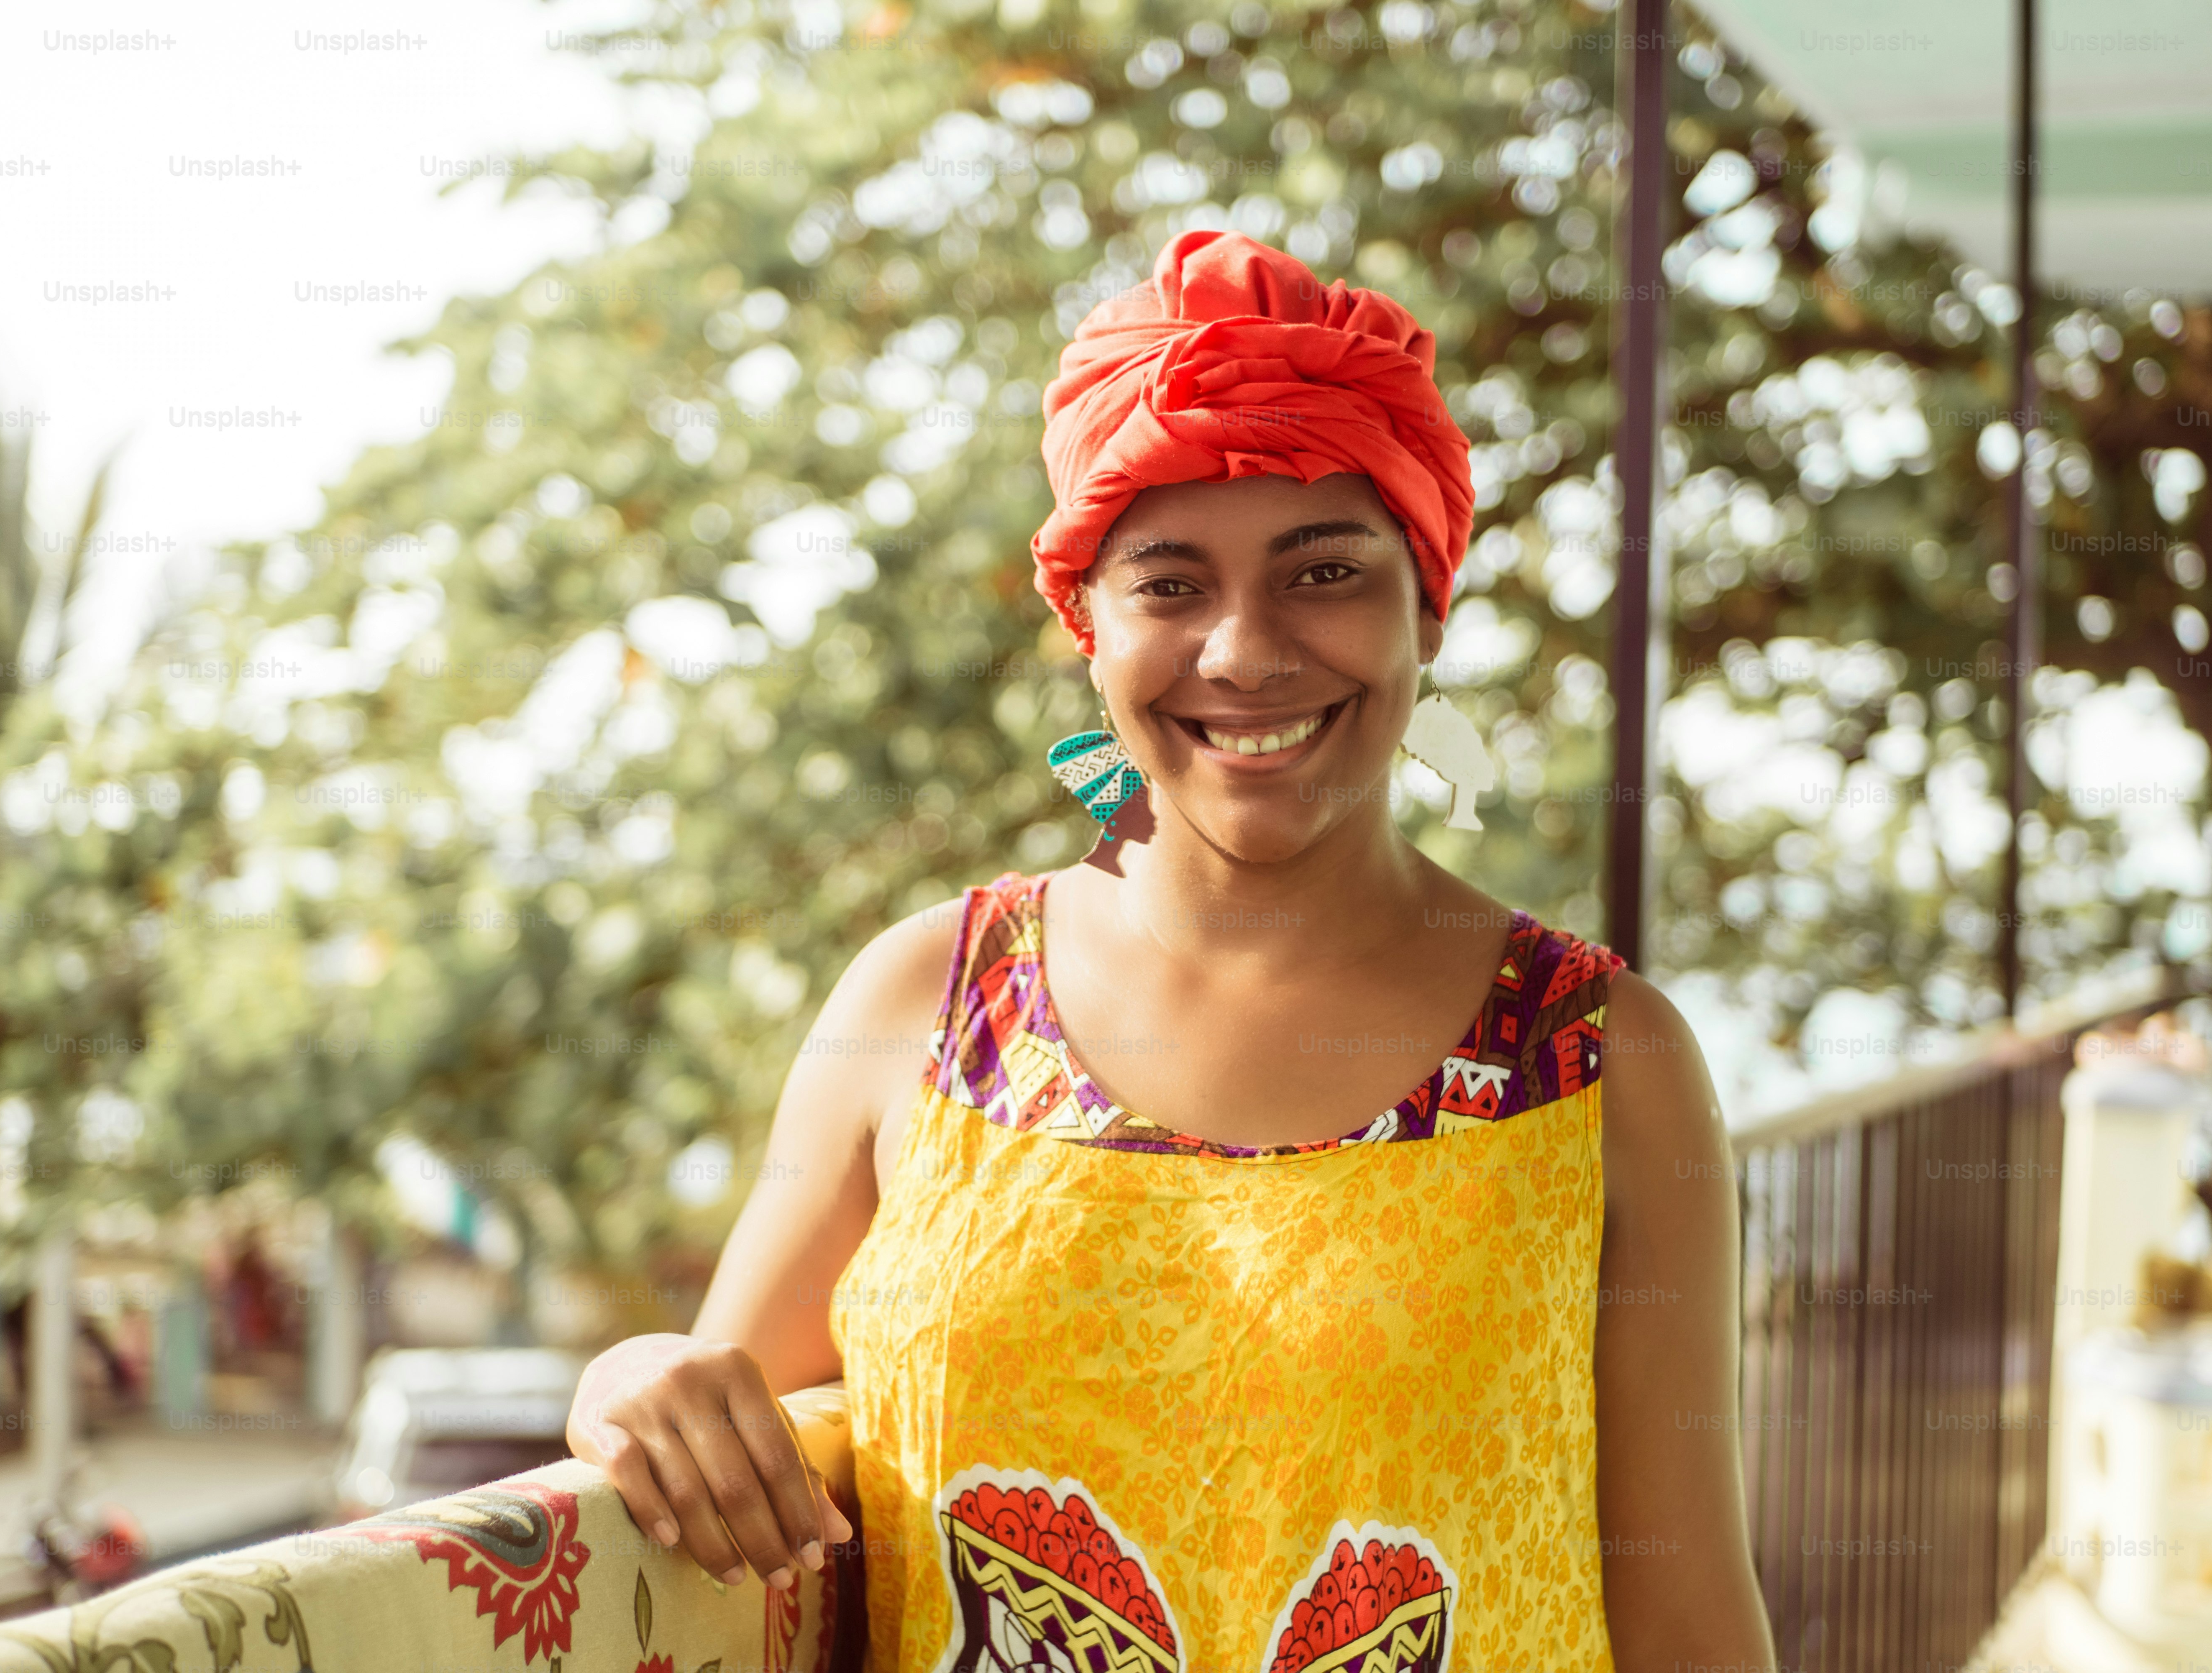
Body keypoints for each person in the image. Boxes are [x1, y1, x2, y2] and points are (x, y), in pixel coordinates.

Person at [570, 230, 1774, 1670]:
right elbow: (721, 1422)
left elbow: (1689, 1617)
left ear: (1427, 606)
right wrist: (628, 1378)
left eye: (1325, 572)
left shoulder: (1595, 1061)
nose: (1246, 651)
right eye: (1170, 583)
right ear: (1087, 624)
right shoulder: (926, 1005)